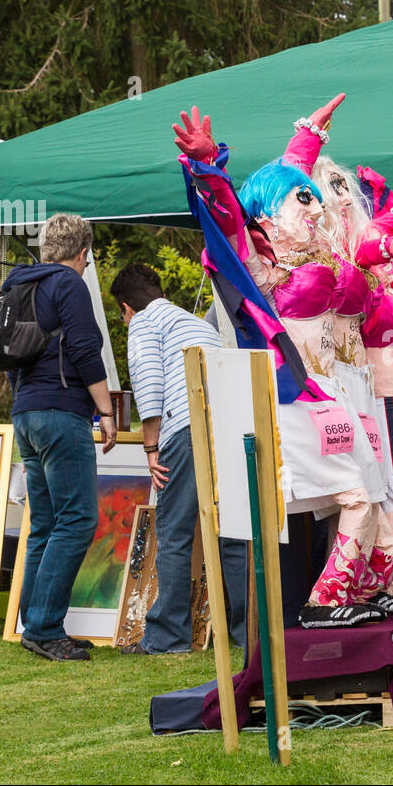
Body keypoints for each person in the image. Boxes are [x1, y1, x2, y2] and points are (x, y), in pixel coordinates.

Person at [110, 263, 250, 654]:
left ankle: (168, 636)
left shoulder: (144, 323)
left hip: (186, 428)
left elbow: (148, 382)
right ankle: (244, 634)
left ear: (127, 309)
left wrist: (151, 449)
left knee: (174, 533)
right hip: (228, 424)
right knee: (233, 534)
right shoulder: (196, 323)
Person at [6, 213, 116, 662]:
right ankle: (46, 627)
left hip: (26, 412)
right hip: (60, 411)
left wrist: (26, 406)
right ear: (83, 252)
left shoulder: (18, 284)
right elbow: (85, 349)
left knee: (46, 523)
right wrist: (105, 410)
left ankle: (35, 623)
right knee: (77, 520)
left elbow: (11, 356)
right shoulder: (69, 284)